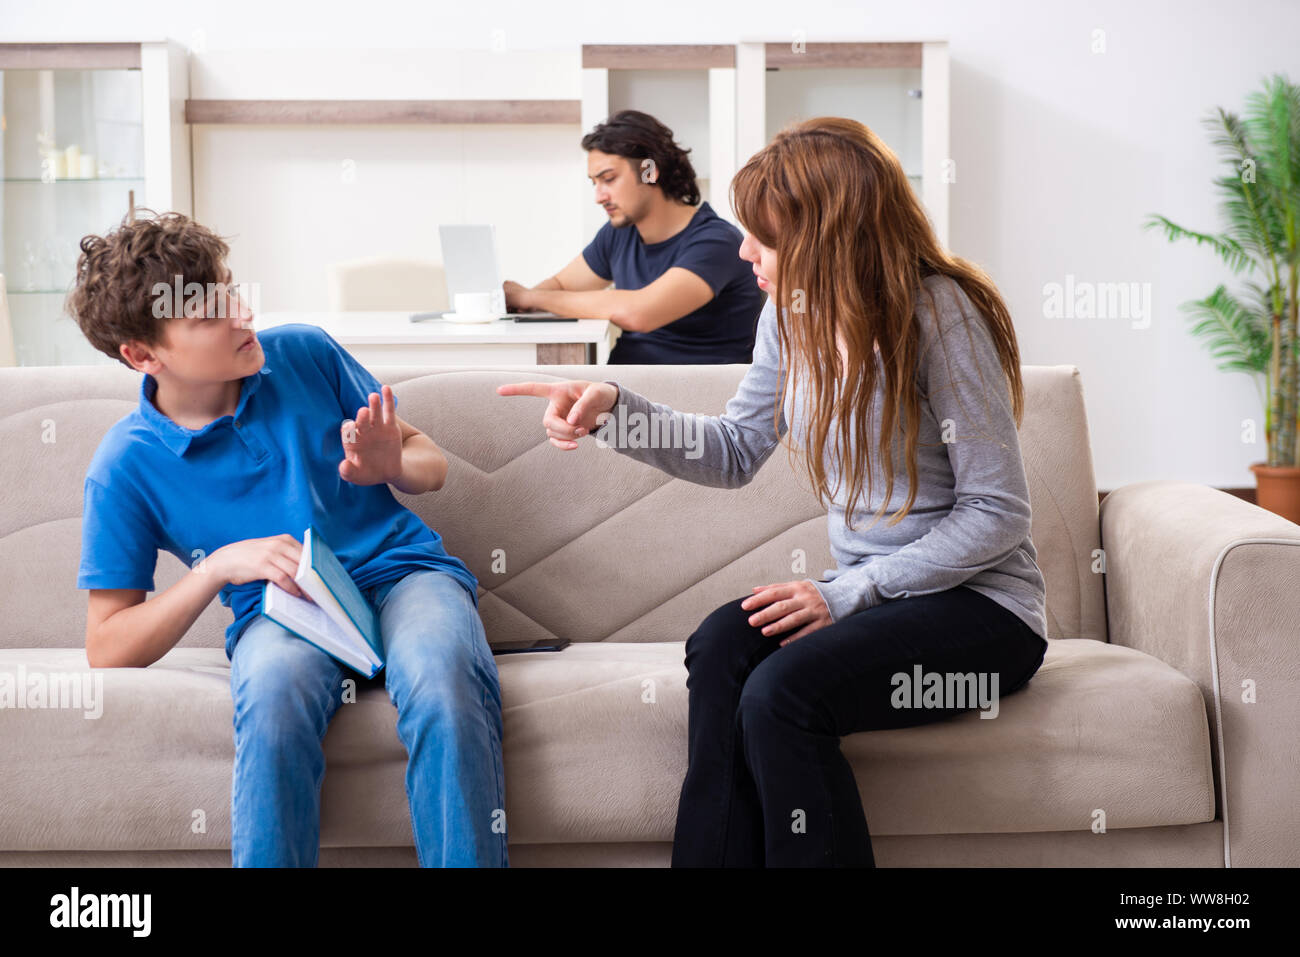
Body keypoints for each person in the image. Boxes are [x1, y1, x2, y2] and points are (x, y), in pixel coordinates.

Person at [498, 117, 1049, 867]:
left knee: (783, 692)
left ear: (831, 237)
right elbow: (732, 450)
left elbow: (997, 513)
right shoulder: (790, 318)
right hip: (875, 597)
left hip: (985, 617)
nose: (743, 250)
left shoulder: (938, 313)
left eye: (765, 235)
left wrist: (849, 594)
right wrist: (615, 409)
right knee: (721, 643)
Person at [71, 211, 507, 868]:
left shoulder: (304, 353)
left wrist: (392, 465)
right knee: (273, 695)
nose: (242, 314)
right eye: (208, 313)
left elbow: (430, 462)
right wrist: (215, 568)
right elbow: (107, 643)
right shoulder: (124, 464)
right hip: (282, 608)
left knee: (442, 675)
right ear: (142, 353)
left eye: (231, 291)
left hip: (405, 574)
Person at [502, 109, 766, 364]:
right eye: (594, 182)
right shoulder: (619, 234)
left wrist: (529, 297)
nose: (599, 196)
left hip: (693, 398)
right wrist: (516, 300)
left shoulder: (716, 242)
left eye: (608, 179)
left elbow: (639, 312)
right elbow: (562, 285)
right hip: (628, 389)